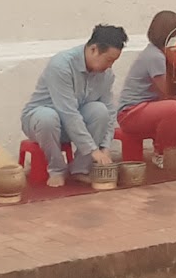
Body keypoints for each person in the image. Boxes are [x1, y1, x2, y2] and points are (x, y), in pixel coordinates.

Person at [21, 25, 127, 187]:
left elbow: (110, 111)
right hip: (41, 123)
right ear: (93, 49)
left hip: (72, 124)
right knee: (48, 117)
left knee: (100, 111)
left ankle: (80, 169)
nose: (110, 66)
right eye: (109, 60)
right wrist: (93, 150)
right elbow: (67, 112)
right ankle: (56, 169)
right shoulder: (61, 65)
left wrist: (105, 146)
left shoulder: (106, 75)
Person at [116, 12, 176, 168]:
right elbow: (168, 91)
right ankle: (161, 152)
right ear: (167, 32)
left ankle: (171, 147)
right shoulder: (154, 56)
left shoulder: (165, 53)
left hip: (152, 108)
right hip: (131, 113)